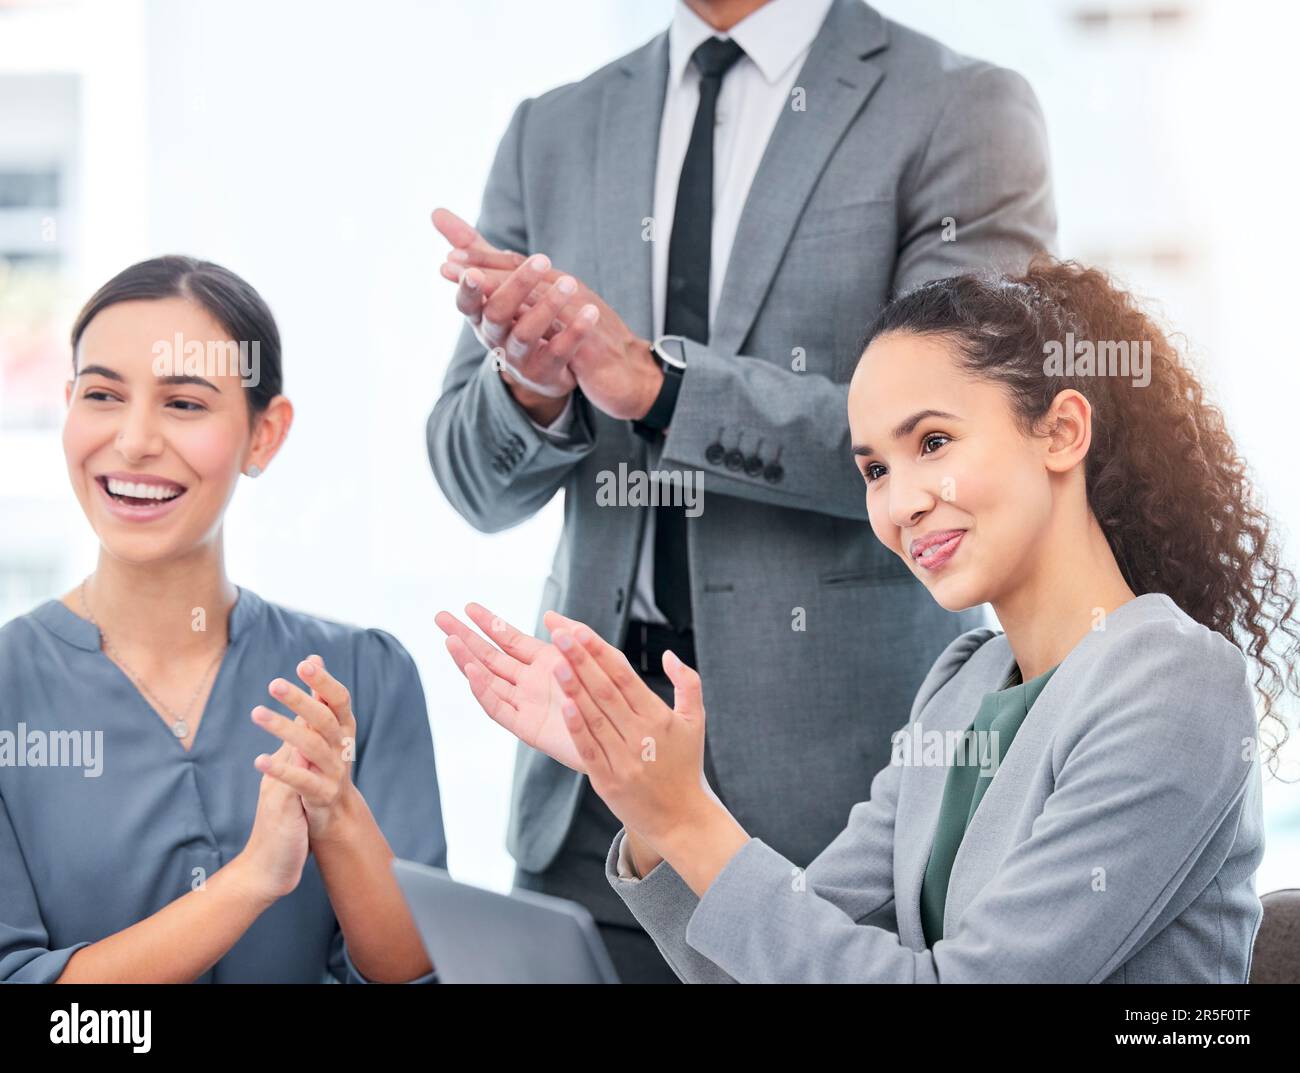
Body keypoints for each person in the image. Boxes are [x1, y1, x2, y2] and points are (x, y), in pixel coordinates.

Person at [441, 257, 1296, 982]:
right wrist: (646, 790)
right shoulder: (961, 688)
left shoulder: (1173, 684)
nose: (901, 504)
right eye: (875, 469)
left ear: (1062, 430)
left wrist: (690, 815)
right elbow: (753, 960)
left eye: (932, 443)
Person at [427, 0, 1055, 980]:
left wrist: (659, 386)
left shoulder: (957, 108)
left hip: (837, 816)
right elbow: (471, 481)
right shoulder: (552, 128)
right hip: (586, 795)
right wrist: (534, 388)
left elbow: (957, 442)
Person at [0, 256, 445, 983]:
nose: (136, 440)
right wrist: (250, 881)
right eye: (103, 394)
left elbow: (416, 975)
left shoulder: (362, 675)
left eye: (184, 404)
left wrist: (337, 816)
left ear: (265, 434)